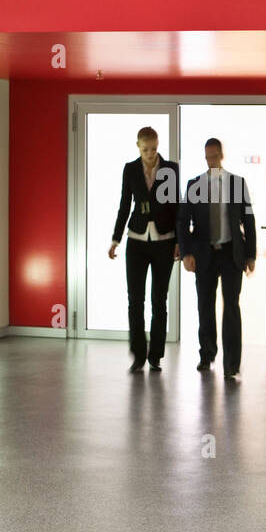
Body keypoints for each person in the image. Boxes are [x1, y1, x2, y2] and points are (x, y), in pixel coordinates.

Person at [177, 137, 256, 379]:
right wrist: (186, 253)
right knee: (205, 306)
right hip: (204, 254)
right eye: (207, 157)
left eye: (214, 156)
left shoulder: (237, 184)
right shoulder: (194, 185)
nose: (211, 161)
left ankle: (232, 364)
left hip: (232, 253)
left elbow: (248, 220)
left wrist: (251, 254)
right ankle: (207, 354)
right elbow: (183, 221)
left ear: (222, 155)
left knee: (231, 307)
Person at [109, 126, 180, 373]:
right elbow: (124, 204)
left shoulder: (171, 169)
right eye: (145, 149)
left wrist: (180, 241)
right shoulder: (130, 169)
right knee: (135, 300)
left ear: (158, 145)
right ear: (138, 146)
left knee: (159, 300)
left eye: (154, 149)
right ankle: (138, 354)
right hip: (137, 239)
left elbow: (176, 207)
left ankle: (155, 355)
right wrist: (115, 239)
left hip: (165, 240)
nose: (150, 154)